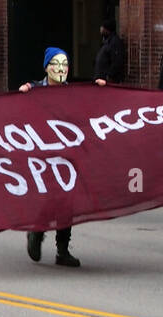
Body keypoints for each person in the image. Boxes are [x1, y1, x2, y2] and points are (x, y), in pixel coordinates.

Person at [19, 48, 80, 268]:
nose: (61, 68)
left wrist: (100, 90)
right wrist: (24, 93)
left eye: (65, 64)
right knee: (49, 195)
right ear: (46, 67)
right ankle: (37, 229)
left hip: (66, 154)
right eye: (56, 63)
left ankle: (62, 249)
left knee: (67, 200)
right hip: (42, 154)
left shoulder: (73, 94)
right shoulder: (34, 89)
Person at [94, 20, 127, 85]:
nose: (101, 29)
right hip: (101, 79)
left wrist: (108, 76)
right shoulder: (106, 42)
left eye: (102, 27)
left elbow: (117, 61)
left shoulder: (114, 42)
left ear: (107, 29)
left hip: (107, 81)